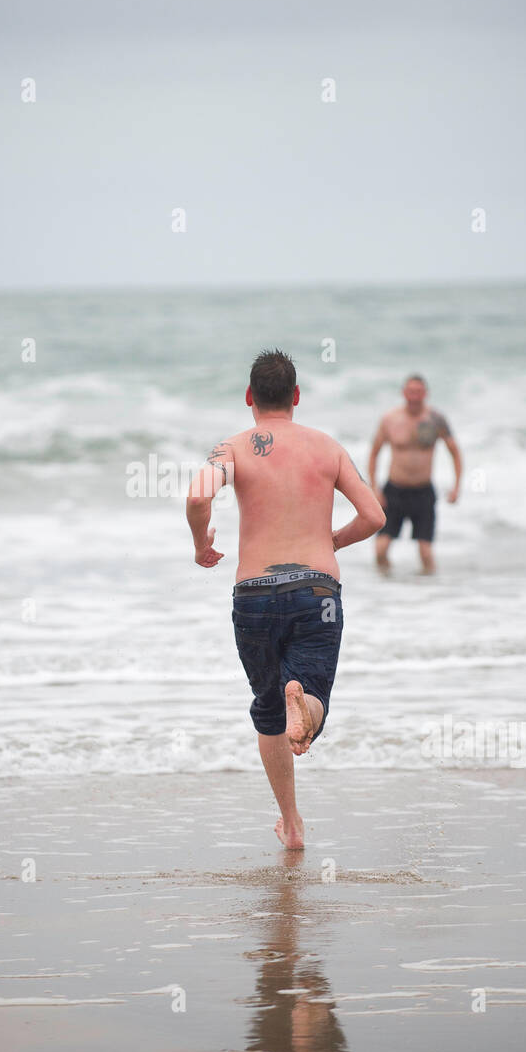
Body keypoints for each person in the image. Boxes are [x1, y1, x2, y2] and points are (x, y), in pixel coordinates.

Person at [185, 350, 384, 850]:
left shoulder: (233, 447)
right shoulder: (327, 447)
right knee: (312, 690)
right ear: (296, 397)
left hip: (253, 596)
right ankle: (308, 713)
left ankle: (291, 825)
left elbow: (196, 498)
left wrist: (201, 546)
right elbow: (375, 517)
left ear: (250, 397)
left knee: (268, 709)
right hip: (316, 590)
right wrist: (330, 542)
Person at [368, 374, 461, 575]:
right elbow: (374, 453)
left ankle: (428, 595)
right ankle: (385, 591)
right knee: (381, 549)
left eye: (418, 392)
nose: (414, 396)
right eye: (411, 391)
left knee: (426, 553)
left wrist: (456, 487)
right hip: (394, 491)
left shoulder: (436, 419)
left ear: (425, 394)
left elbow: (455, 452)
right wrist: (374, 489)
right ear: (404, 393)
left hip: (423, 492)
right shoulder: (390, 419)